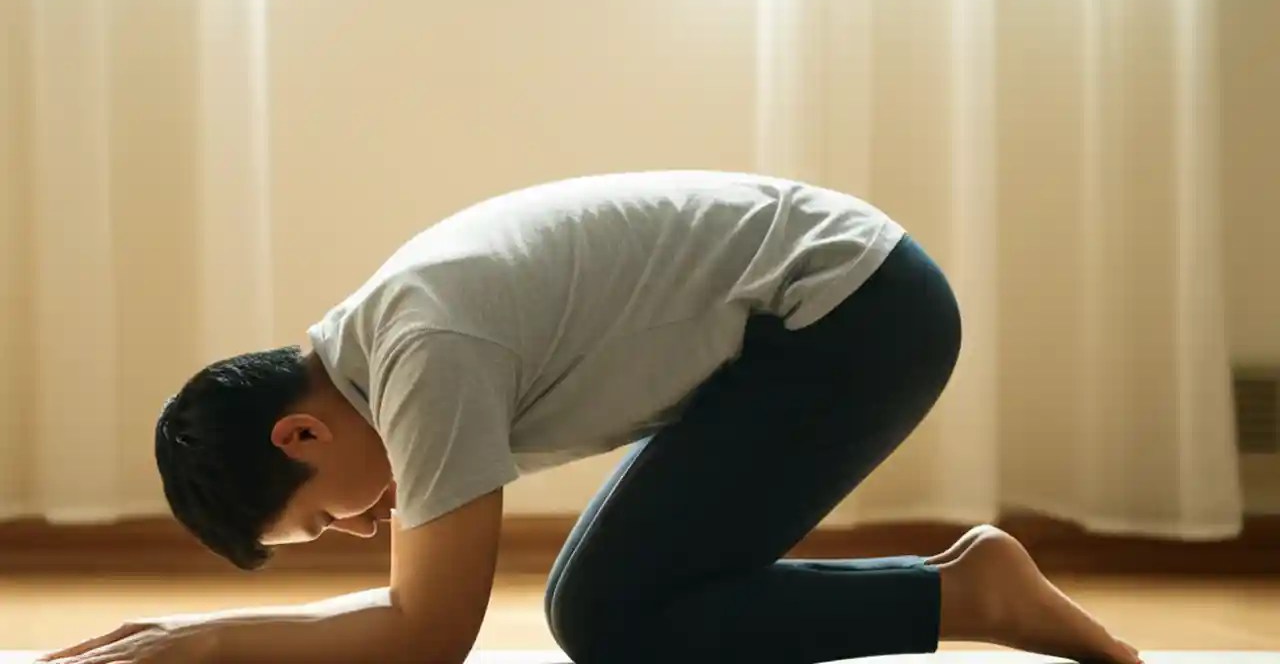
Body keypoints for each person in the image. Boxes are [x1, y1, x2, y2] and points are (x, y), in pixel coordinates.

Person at [40, 171, 1142, 664]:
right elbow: (419, 602)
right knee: (601, 605)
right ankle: (960, 590)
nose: (358, 529)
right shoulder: (386, 343)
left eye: (322, 521)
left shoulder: (424, 354)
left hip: (853, 315)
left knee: (609, 615)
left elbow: (429, 637)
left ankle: (968, 594)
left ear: (300, 435)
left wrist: (209, 649)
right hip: (824, 307)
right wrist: (186, 639)